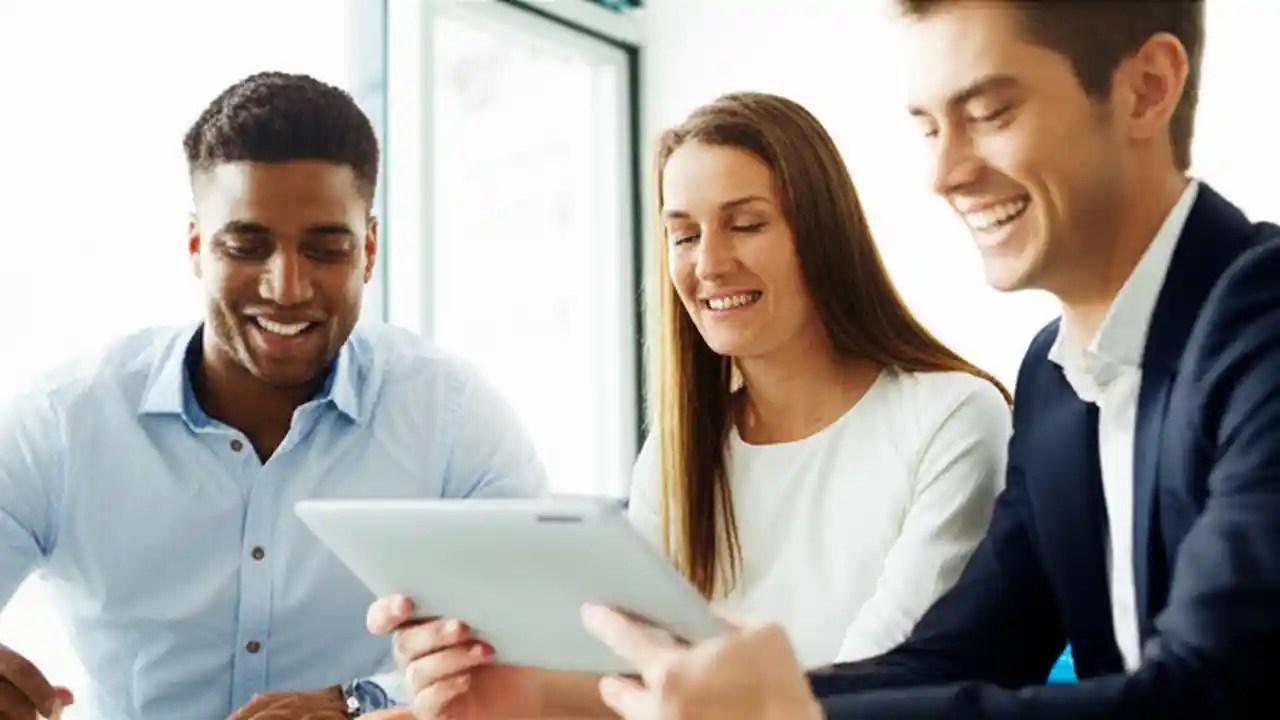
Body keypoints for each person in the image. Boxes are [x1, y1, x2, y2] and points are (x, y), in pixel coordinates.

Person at [569, 1, 1280, 718]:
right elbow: (965, 652)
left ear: (1147, 87)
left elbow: (1211, 693)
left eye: (990, 113)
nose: (944, 173)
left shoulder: (1264, 321)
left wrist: (788, 714)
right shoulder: (1054, 380)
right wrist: (729, 691)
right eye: (930, 128)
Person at [369, 91, 1013, 718]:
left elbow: (882, 690)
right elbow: (633, 681)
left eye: (746, 224)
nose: (709, 264)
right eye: (683, 235)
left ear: (821, 232)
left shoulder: (952, 419)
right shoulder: (679, 450)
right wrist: (497, 693)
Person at [0, 71, 544, 720]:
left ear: (368, 250)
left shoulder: (452, 418)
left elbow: (543, 644)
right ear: (198, 247)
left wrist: (361, 705)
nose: (287, 287)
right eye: (246, 246)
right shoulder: (66, 421)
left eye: (325, 249)